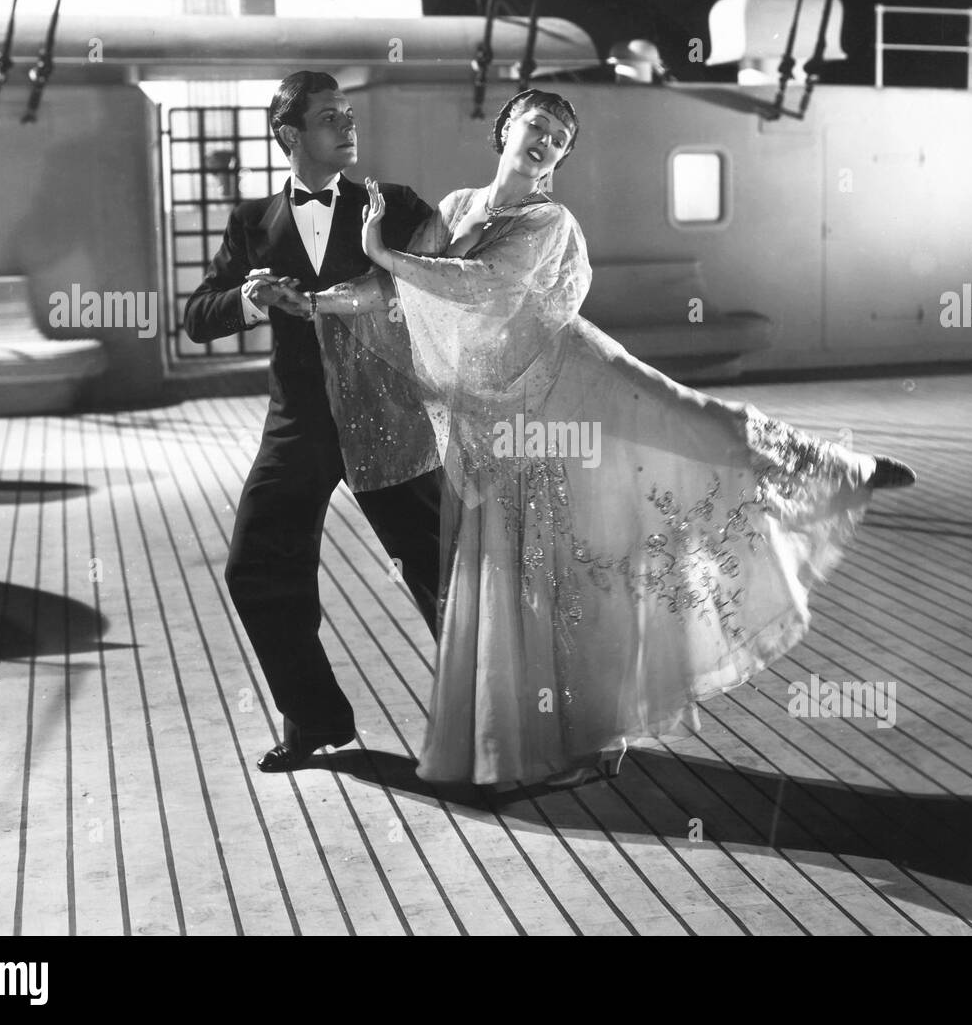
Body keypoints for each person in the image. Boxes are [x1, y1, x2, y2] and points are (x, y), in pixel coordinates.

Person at [306, 89, 915, 788]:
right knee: (533, 567)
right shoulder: (455, 208)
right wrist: (317, 300)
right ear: (506, 128)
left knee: (683, 421)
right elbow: (396, 295)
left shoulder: (549, 219)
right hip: (502, 419)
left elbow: (487, 286)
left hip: (572, 380)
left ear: (560, 158)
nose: (544, 140)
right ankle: (546, 744)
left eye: (559, 138)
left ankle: (837, 469)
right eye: (536, 125)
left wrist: (381, 250)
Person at [183, 71, 444, 773]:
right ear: (291, 135)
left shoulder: (395, 205)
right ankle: (314, 719)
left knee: (444, 571)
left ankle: (498, 727)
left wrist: (381, 292)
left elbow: (448, 284)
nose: (348, 126)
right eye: (330, 117)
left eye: (349, 113)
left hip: (388, 418)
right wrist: (251, 295)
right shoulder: (250, 223)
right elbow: (196, 318)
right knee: (256, 568)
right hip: (299, 423)